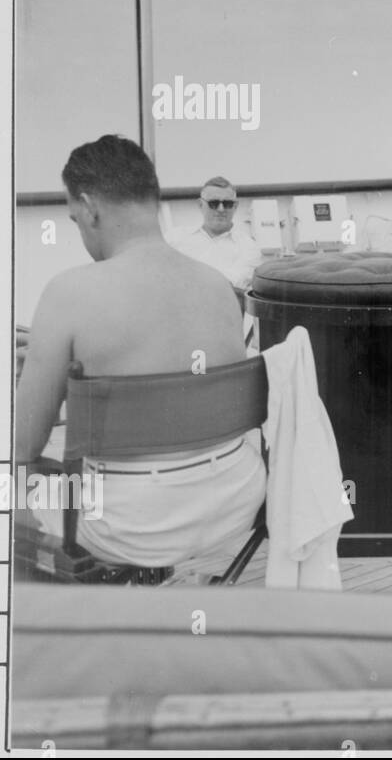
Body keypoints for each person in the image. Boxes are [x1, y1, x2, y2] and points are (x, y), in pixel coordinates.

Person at [15, 136, 265, 576]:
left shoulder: (68, 293)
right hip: (235, 499)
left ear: (90, 208)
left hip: (130, 525)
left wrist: (34, 369)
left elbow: (22, 445)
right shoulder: (219, 288)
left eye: (75, 220)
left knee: (15, 489)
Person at [166, 175, 262, 294]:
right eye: (213, 203)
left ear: (235, 206)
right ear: (200, 205)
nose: (221, 209)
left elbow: (234, 283)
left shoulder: (249, 247)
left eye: (227, 204)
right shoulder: (174, 238)